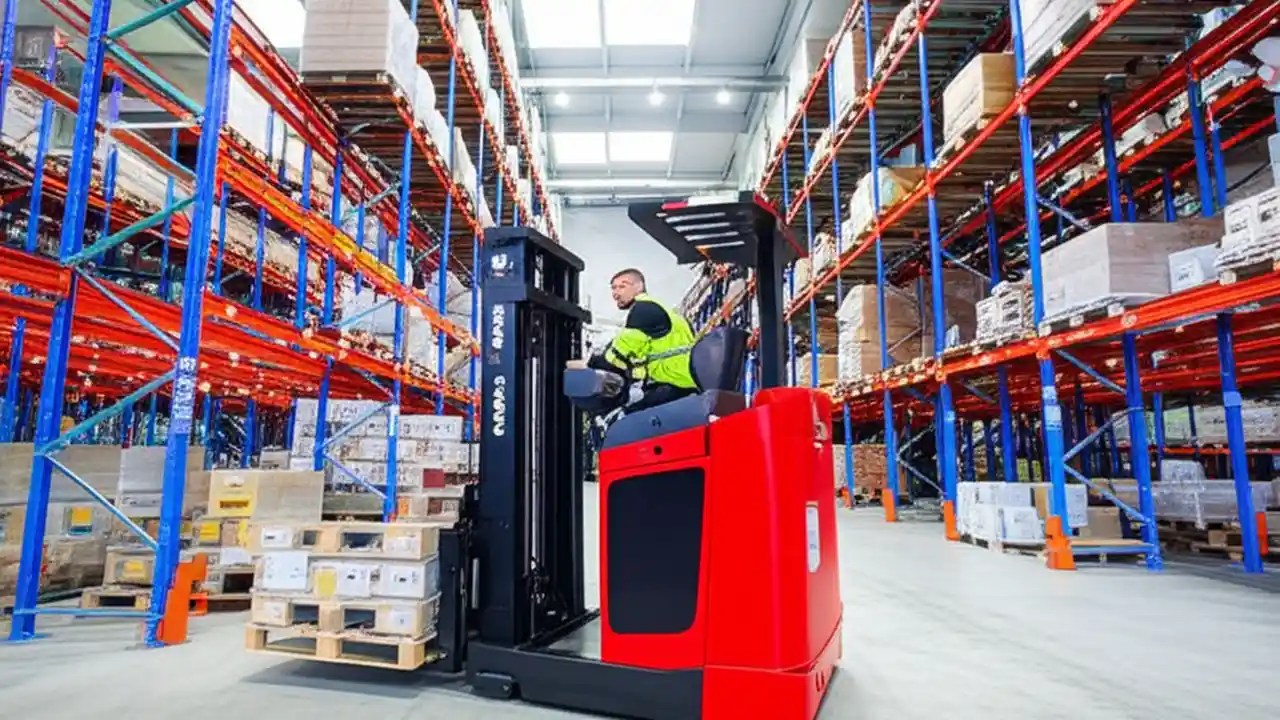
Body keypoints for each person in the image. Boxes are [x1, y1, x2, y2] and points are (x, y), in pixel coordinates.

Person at [588, 268, 698, 411]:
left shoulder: (643, 310)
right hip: (685, 382)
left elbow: (617, 355)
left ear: (639, 287)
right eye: (613, 288)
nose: (615, 294)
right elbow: (638, 353)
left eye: (622, 286)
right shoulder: (662, 309)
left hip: (673, 384)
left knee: (621, 418)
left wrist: (590, 366)